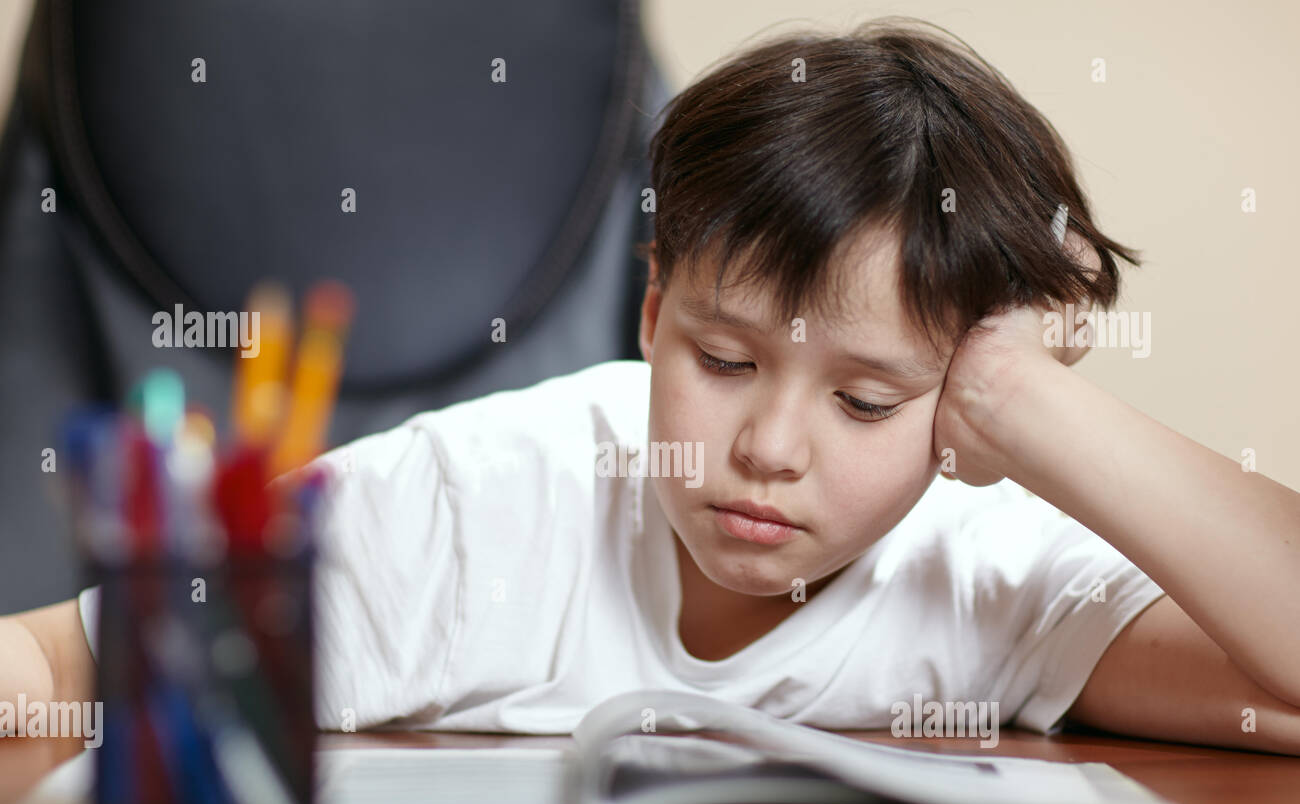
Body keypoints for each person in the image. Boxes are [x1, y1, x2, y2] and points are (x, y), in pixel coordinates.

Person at [4, 17, 1299, 755]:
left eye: (865, 401)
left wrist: (1032, 401)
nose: (771, 447)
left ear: (953, 401)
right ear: (651, 311)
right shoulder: (474, 508)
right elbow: (55, 659)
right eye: (724, 361)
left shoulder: (986, 571)